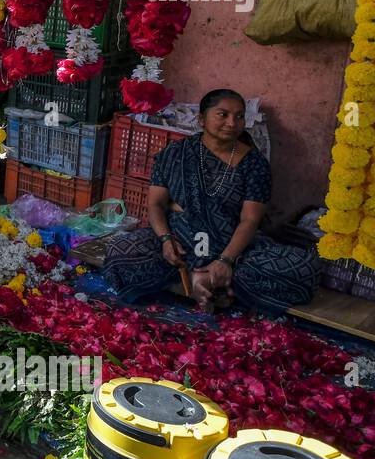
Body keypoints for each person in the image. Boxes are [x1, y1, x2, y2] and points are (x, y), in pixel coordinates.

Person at [104, 88, 319, 315]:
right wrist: (166, 239)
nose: (232, 122)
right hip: (180, 240)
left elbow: (250, 219)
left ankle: (206, 276)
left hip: (233, 245)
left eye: (239, 116)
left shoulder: (254, 164)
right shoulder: (174, 153)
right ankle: (209, 279)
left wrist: (225, 260)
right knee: (121, 252)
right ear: (201, 119)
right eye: (222, 114)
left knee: (302, 270)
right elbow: (156, 204)